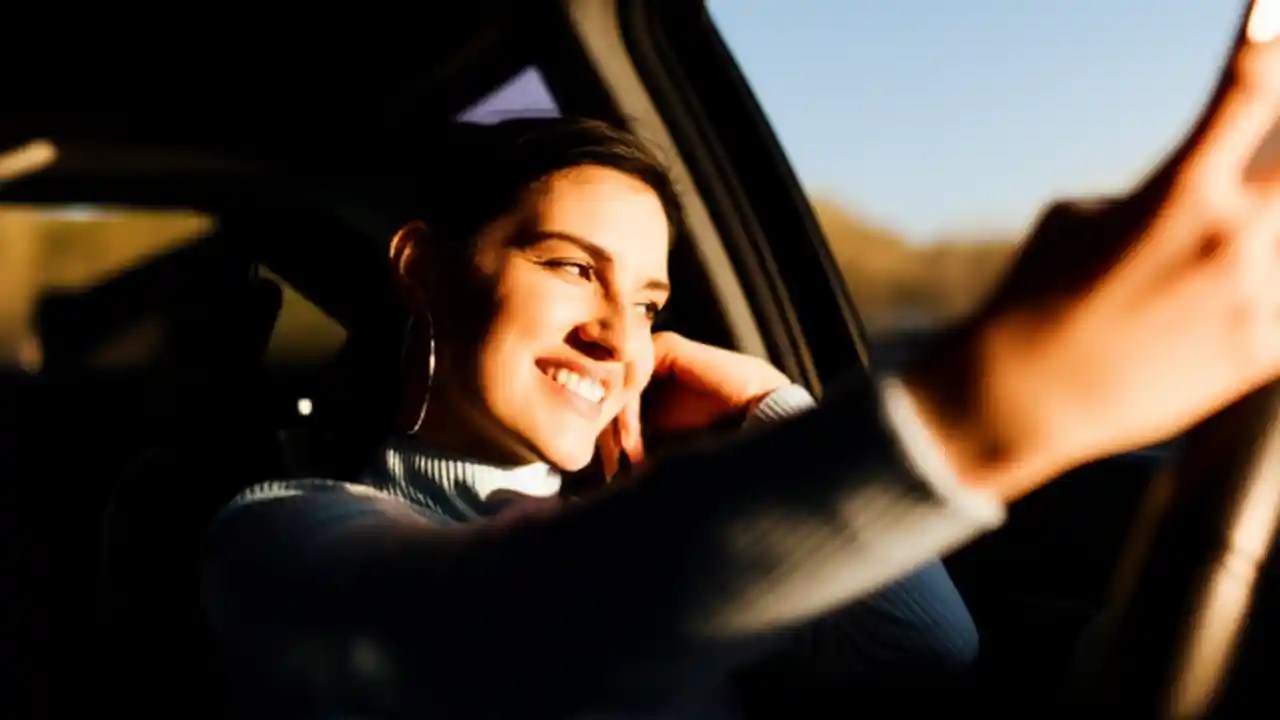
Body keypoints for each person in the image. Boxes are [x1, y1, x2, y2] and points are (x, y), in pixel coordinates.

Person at [202, 4, 1280, 716]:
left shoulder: (651, 535)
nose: (617, 332)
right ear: (423, 270)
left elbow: (922, 661)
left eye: (648, 299)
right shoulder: (280, 529)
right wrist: (988, 404)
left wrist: (775, 405)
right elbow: (476, 639)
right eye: (571, 268)